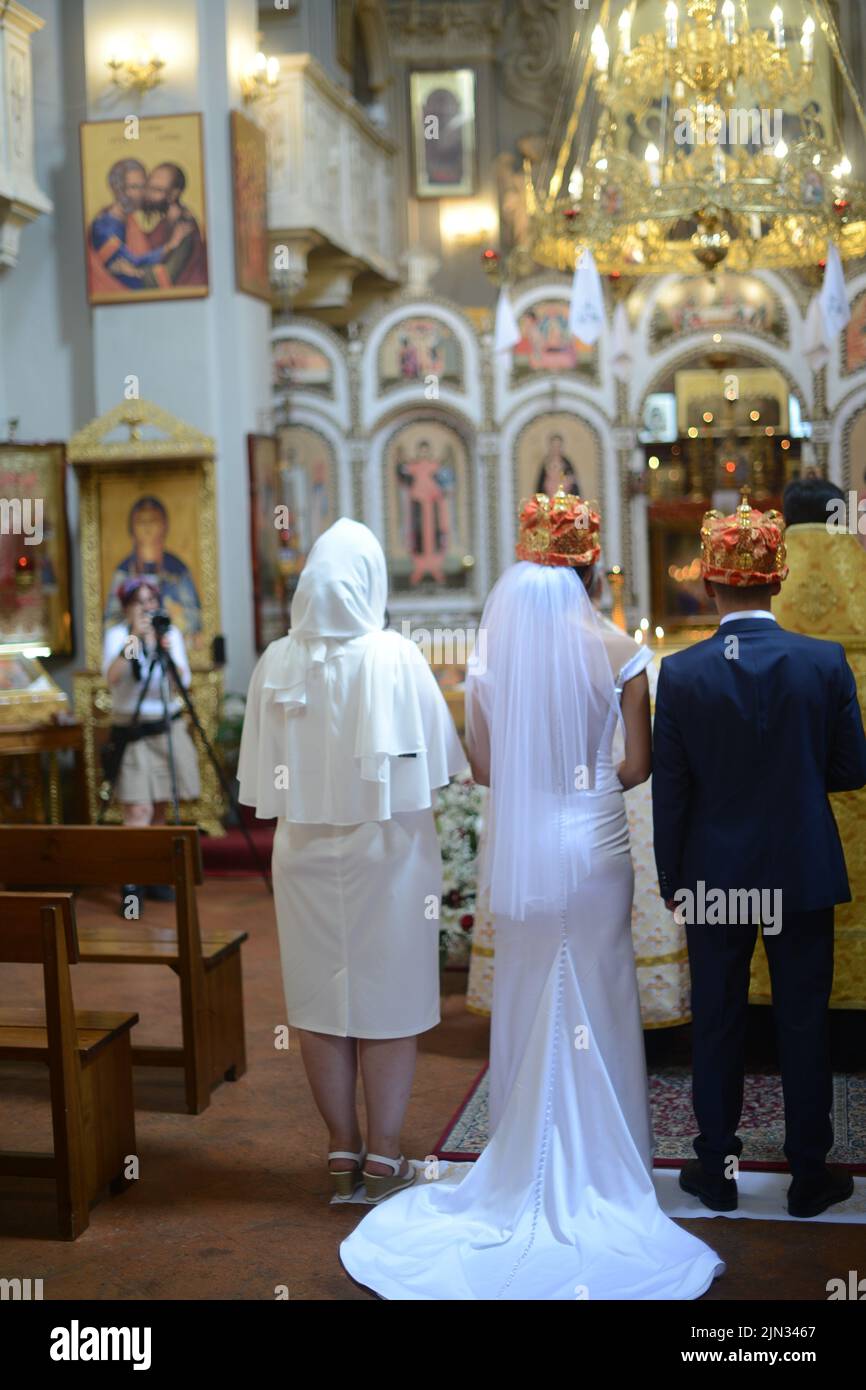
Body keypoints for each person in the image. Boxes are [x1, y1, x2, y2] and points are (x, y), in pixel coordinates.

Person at [340, 489, 724, 1300]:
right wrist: (582, 782)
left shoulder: (495, 654)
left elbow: (485, 770)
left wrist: (539, 780)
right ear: (591, 567)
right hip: (594, 844)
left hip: (524, 848)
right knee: (602, 993)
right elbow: (635, 768)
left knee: (527, 996)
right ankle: (612, 1175)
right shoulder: (620, 647)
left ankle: (517, 1167)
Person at [237, 518, 466, 1202]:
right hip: (389, 851)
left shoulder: (276, 660)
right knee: (387, 999)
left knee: (321, 1000)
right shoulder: (395, 655)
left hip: (303, 853)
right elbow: (443, 764)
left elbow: (258, 773)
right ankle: (386, 1155)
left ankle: (341, 1148)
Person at [653, 491, 866, 1219]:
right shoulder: (823, 662)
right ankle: (810, 1174)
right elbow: (850, 769)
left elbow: (671, 792)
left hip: (716, 875)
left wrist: (672, 879)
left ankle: (714, 1169)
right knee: (803, 1020)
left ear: (710, 584)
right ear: (776, 580)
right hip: (800, 869)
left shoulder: (681, 675)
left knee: (717, 1018)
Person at [102, 577, 201, 915]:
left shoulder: (168, 634)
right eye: (137, 601)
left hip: (166, 728)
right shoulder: (119, 637)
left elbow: (180, 684)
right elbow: (113, 677)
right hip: (132, 732)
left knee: (159, 809)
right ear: (126, 607)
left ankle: (155, 876)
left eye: (151, 600)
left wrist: (166, 647)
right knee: (137, 811)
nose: (146, 607)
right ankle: (131, 887)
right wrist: (135, 639)